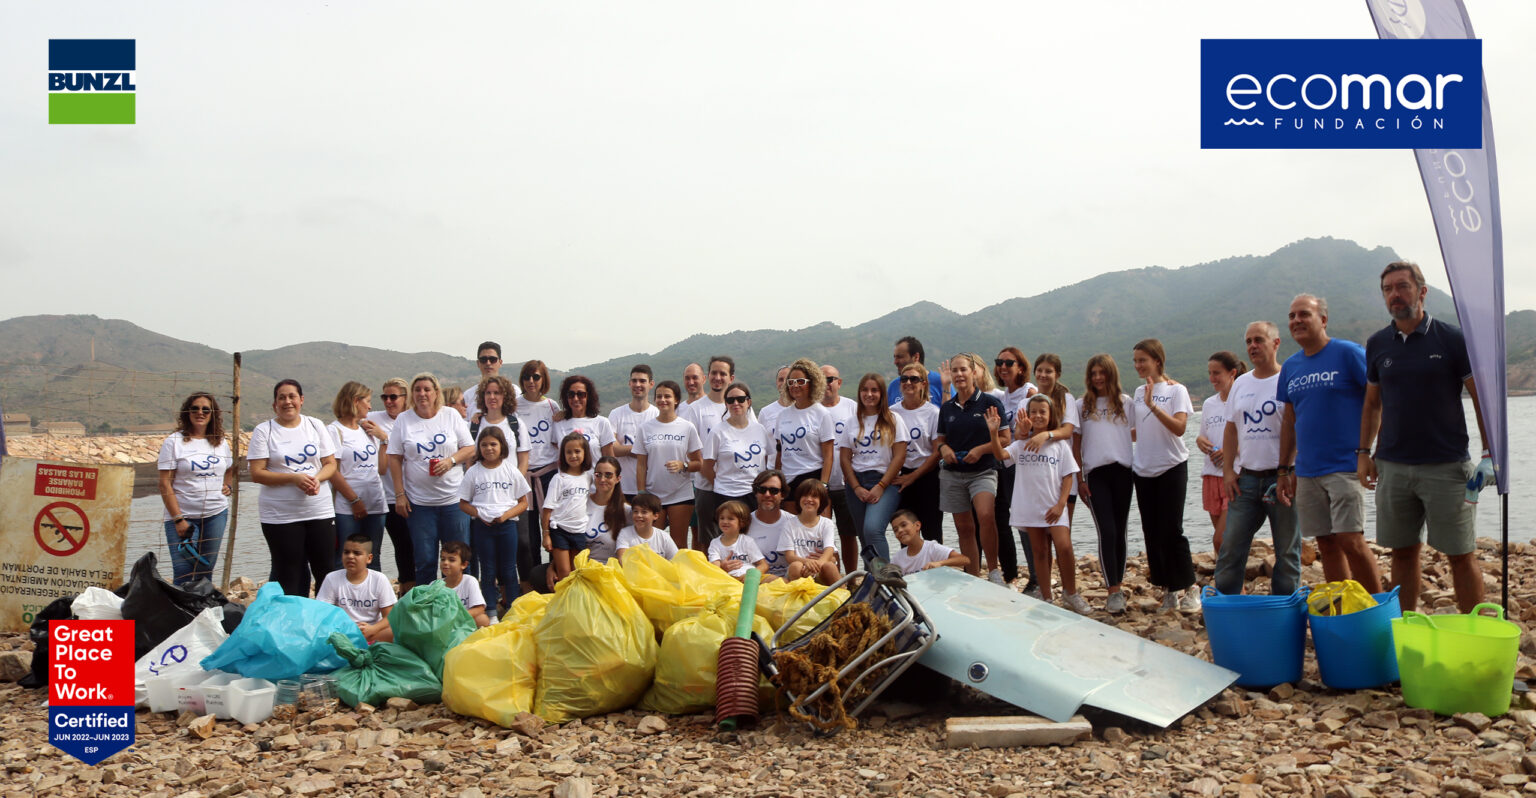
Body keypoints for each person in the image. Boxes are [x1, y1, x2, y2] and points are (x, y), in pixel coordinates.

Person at [1360, 261, 1492, 613]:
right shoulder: (1377, 344)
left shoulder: (1451, 338)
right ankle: (1405, 631)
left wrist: (1490, 452)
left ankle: (1476, 633)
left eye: (1402, 286)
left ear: (1422, 291)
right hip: (1393, 466)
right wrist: (1363, 452)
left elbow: (1481, 398)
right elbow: (1372, 404)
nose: (1395, 295)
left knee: (1461, 555)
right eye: (1388, 289)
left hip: (1447, 466)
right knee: (1402, 552)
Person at [1277, 294, 1384, 592]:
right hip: (1308, 471)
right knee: (1326, 543)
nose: (1296, 321)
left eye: (1304, 314)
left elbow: (1378, 401)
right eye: (1292, 316)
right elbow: (1289, 420)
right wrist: (1284, 469)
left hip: (1346, 465)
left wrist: (1374, 450)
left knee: (1351, 539)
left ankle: (1377, 608)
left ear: (1323, 320)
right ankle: (1345, 607)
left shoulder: (1348, 353)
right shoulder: (1291, 366)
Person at [1215, 322, 1302, 597]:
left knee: (1287, 552)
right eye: (1249, 341)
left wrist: (1290, 471)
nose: (1253, 346)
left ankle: (1283, 610)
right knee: (1230, 547)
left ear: (1276, 343)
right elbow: (1230, 429)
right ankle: (1227, 607)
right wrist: (1228, 471)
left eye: (1259, 340)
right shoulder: (1241, 383)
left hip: (1282, 479)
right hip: (1247, 479)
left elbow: (1300, 427)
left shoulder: (1290, 378)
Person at [385, 372, 476, 587]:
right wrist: (400, 494)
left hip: (453, 502)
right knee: (425, 561)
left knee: (459, 560)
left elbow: (470, 448)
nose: (422, 394)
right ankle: (427, 607)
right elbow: (394, 458)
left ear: (436, 392)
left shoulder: (450, 416)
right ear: (412, 394)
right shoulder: (404, 420)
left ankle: (460, 606)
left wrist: (451, 461)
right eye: (417, 390)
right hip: (420, 505)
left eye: (427, 389)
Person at [994, 395, 1084, 612]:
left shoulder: (1060, 444)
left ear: (1051, 415)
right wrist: (992, 432)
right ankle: (1047, 597)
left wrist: (1061, 504)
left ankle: (1071, 593)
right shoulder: (1021, 444)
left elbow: (1068, 476)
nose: (1038, 416)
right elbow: (1000, 454)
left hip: (1055, 506)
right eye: (1033, 412)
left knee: (1064, 546)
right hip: (1031, 507)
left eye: (1042, 411)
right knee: (1039, 551)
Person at [249, 379, 338, 597]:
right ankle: (292, 623)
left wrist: (316, 479)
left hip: (319, 510)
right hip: (280, 515)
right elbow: (257, 472)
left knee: (325, 570)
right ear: (274, 404)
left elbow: (330, 464)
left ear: (301, 400)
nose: (287, 402)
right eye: (282, 397)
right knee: (289, 572)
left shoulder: (315, 425)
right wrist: (293, 479)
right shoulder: (264, 430)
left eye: (292, 397)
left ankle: (323, 621)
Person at [1129, 340, 1199, 612]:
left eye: (1143, 360)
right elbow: (1137, 431)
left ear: (1157, 360)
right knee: (1152, 532)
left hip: (1171, 466)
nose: (1138, 365)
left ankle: (1191, 587)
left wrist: (1153, 406)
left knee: (1172, 530)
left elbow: (1179, 428)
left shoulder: (1176, 390)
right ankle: (1170, 588)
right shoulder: (1137, 392)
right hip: (1143, 468)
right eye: (1135, 360)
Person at [934, 352, 1008, 584]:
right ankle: (973, 577)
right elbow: (940, 440)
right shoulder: (947, 408)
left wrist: (981, 449)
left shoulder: (990, 403)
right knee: (964, 527)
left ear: (974, 372)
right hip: (954, 474)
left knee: (986, 515)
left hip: (984, 471)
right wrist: (944, 450)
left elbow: (1005, 438)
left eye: (963, 369)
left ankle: (994, 571)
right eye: (954, 370)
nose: (959, 374)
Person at [1073, 355, 1135, 614]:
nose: (1098, 377)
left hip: (1123, 472)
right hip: (1095, 475)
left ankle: (1118, 586)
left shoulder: (1125, 402)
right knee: (1106, 531)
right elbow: (1075, 444)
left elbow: (1141, 429)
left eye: (1102, 373)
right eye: (1094, 373)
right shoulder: (1081, 406)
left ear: (1111, 374)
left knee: (1120, 531)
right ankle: (1112, 592)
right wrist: (1079, 479)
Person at [157, 392, 235, 586]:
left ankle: (202, 614)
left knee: (205, 571)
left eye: (205, 409)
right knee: (183, 574)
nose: (200, 412)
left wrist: (228, 485)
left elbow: (230, 467)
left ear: (212, 414)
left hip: (215, 514)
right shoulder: (174, 442)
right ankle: (182, 615)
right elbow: (164, 483)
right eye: (195, 408)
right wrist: (178, 519)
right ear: (187, 412)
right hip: (183, 517)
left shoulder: (220, 442)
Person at [1017, 353, 1079, 595]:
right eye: (1040, 370)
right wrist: (1026, 432)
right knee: (1040, 545)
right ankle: (1047, 590)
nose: (1043, 375)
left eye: (1049, 371)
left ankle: (1070, 591)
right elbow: (1018, 438)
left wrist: (1046, 434)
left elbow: (1067, 430)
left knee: (1062, 541)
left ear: (1057, 374)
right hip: (1035, 480)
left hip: (1060, 476)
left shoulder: (1067, 399)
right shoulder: (1026, 402)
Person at [457, 426, 530, 619]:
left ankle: (513, 608)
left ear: (502, 446)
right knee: (488, 569)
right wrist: (479, 514)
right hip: (483, 527)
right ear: (478, 448)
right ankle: (491, 611)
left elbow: (523, 503)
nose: (489, 448)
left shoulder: (511, 470)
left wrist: (506, 515)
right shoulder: (473, 472)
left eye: (493, 444)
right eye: (484, 445)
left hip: (507, 526)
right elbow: (463, 504)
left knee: (508, 568)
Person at [839, 373, 908, 570]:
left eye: (874, 390)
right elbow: (844, 458)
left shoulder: (894, 419)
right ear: (859, 393)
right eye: (865, 390)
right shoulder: (851, 422)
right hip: (856, 484)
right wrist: (856, 487)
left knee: (873, 529)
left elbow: (899, 456)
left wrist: (881, 486)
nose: (869, 394)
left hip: (884, 481)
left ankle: (887, 579)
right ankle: (873, 581)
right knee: (863, 535)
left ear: (882, 393)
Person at [361, 377, 415, 594]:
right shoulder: (372, 418)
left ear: (405, 398)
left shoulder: (412, 419)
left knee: (406, 548)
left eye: (393, 397)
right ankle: (373, 595)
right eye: (384, 397)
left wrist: (384, 437)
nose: (388, 401)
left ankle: (408, 594)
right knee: (373, 550)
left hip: (404, 496)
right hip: (376, 497)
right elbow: (348, 420)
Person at [634, 380, 703, 549]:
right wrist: (642, 493)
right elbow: (641, 465)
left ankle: (679, 576)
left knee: (678, 544)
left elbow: (699, 463)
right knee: (653, 545)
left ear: (676, 400)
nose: (662, 400)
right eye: (659, 396)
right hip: (653, 494)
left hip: (681, 494)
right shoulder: (645, 428)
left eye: (667, 396)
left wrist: (683, 465)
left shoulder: (687, 427)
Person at [328, 381, 387, 571]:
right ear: (355, 400)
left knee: (372, 556)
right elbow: (332, 471)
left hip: (375, 504)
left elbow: (382, 469)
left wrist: (384, 439)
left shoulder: (366, 429)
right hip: (347, 507)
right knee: (347, 557)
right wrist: (354, 500)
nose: (370, 407)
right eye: (367, 401)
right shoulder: (334, 431)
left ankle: (373, 599)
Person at [991, 348, 1036, 586]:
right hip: (1006, 465)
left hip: (1025, 465)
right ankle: (1022, 576)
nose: (1004, 366)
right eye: (1000, 362)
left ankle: (1038, 577)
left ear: (1021, 366)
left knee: (1028, 521)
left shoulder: (1029, 392)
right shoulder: (1001, 397)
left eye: (1009, 362)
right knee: (1013, 519)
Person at [515, 360, 561, 591]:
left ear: (544, 379)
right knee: (526, 538)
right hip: (523, 477)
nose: (531, 382)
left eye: (536, 377)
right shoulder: (513, 406)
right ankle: (530, 587)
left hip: (549, 476)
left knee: (553, 531)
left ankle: (556, 581)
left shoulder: (552, 406)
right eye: (527, 377)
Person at [1196, 353, 1244, 558]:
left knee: (1222, 538)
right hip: (1210, 476)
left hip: (1234, 475)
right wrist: (1200, 441)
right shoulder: (1209, 404)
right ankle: (1233, 586)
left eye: (1217, 373)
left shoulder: (1243, 400)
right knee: (1221, 541)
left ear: (1232, 373)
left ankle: (1232, 585)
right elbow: (1203, 436)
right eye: (1210, 373)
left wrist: (1230, 451)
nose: (1212, 378)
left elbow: (1254, 438)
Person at [772, 358, 836, 509]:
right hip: (788, 482)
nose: (795, 385)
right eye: (791, 382)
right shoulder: (782, 416)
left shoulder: (822, 414)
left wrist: (823, 485)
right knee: (792, 531)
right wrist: (777, 482)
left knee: (814, 531)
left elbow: (828, 456)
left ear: (812, 383)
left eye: (800, 381)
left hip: (812, 479)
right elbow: (780, 453)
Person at [891, 362, 943, 543]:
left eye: (914, 379)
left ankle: (936, 570)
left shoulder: (933, 413)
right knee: (905, 534)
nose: (908, 382)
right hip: (900, 477)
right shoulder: (891, 413)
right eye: (904, 379)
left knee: (932, 532)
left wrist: (913, 477)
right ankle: (909, 571)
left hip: (927, 476)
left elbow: (937, 452)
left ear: (923, 384)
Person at [702, 381, 772, 509]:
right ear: (726, 403)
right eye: (730, 400)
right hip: (726, 496)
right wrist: (720, 485)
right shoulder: (717, 432)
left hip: (756, 495)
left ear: (748, 402)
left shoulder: (760, 429)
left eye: (740, 399)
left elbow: (765, 461)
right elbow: (706, 467)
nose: (735, 403)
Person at [316, 532, 395, 643]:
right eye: (346, 552)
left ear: (369, 558)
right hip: (342, 631)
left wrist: (373, 629)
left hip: (371, 631)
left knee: (394, 631)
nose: (350, 556)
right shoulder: (331, 578)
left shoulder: (379, 579)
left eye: (357, 553)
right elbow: (322, 613)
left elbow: (390, 616)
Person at [820, 364, 860, 570]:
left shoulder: (851, 407)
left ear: (839, 382)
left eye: (830, 379)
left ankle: (851, 577)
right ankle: (832, 578)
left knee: (848, 534)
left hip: (847, 483)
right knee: (825, 537)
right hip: (821, 484)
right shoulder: (813, 409)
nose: (826, 384)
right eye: (822, 379)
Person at [542, 432, 596, 579]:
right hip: (559, 530)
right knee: (565, 573)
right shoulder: (558, 478)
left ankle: (576, 601)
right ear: (563, 455)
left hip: (579, 530)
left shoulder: (588, 477)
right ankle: (563, 600)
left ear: (585, 453)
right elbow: (547, 509)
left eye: (577, 451)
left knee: (578, 571)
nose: (573, 455)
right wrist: (546, 534)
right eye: (569, 452)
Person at [608, 365, 658, 500]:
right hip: (623, 487)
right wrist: (642, 449)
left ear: (651, 384)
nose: (638, 385)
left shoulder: (657, 414)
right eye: (634, 381)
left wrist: (627, 449)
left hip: (653, 488)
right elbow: (613, 449)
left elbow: (659, 452)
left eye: (642, 381)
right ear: (629, 383)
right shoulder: (616, 414)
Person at [469, 374, 531, 476]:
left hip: (510, 487)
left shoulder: (517, 425)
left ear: (505, 396)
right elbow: (469, 461)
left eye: (497, 393)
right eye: (488, 393)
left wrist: (515, 486)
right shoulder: (473, 426)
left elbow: (523, 461)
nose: (492, 397)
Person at [781, 479, 840, 584]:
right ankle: (799, 597)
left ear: (821, 501)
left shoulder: (827, 523)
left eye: (814, 496)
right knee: (795, 566)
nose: (809, 499)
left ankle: (844, 595)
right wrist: (809, 563)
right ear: (798, 499)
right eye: (805, 496)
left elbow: (829, 549)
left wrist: (818, 564)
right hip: (801, 568)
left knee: (830, 565)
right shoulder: (789, 524)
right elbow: (789, 556)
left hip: (820, 567)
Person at [552, 375, 616, 462]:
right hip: (566, 475)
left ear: (588, 396)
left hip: (593, 475)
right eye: (571, 394)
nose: (575, 398)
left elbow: (610, 460)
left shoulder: (602, 423)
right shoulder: (558, 424)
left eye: (581, 394)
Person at [888, 510, 970, 576]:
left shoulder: (932, 548)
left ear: (917, 525)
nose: (900, 530)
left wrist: (940, 563)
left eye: (904, 525)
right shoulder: (897, 558)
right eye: (895, 530)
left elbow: (964, 560)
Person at [748, 470, 795, 579]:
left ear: (782, 495)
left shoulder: (794, 522)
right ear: (756, 493)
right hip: (757, 582)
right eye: (762, 490)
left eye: (774, 491)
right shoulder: (743, 524)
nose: (767, 495)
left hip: (791, 581)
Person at [585, 456, 631, 564]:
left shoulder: (627, 511)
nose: (602, 479)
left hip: (612, 572)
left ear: (618, 478)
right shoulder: (582, 503)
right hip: (581, 568)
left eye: (608, 475)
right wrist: (554, 565)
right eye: (598, 475)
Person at [709, 500, 770, 580]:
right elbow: (714, 569)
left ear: (742, 523)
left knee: (779, 581)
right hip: (727, 579)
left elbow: (763, 565)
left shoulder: (747, 541)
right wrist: (723, 568)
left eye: (730, 519)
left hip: (749, 578)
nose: (725, 521)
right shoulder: (715, 543)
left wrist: (751, 576)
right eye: (722, 518)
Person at [438, 540, 490, 627]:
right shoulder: (435, 585)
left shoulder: (470, 581)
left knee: (482, 619)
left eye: (451, 560)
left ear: (464, 565)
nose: (445, 563)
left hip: (463, 622)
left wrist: (456, 617)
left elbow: (480, 609)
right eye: (443, 559)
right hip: (442, 625)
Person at [463, 341, 516, 425]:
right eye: (483, 360)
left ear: (500, 362)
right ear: (478, 363)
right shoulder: (468, 395)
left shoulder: (514, 391)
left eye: (492, 359)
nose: (488, 363)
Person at [616, 493, 680, 561]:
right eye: (635, 511)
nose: (639, 515)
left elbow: (676, 561)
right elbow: (622, 559)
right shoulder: (625, 533)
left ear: (656, 516)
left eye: (644, 512)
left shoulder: (664, 537)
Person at [889, 336, 947, 406]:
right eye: (895, 357)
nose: (895, 362)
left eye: (900, 357)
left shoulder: (941, 382)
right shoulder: (893, 386)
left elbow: (951, 413)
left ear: (916, 357)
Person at [756, 365, 792, 436]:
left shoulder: (803, 410)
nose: (784, 383)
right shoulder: (765, 413)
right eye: (781, 380)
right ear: (776, 383)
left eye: (788, 379)